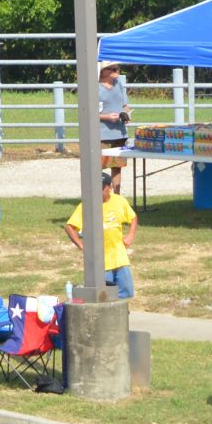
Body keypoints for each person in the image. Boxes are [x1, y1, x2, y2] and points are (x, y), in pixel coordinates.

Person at [65, 167, 138, 299]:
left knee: (126, 292)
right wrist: (82, 246)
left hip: (119, 257)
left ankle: (120, 315)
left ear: (109, 187)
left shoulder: (119, 201)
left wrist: (131, 235)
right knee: (104, 295)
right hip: (101, 263)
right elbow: (69, 227)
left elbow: (133, 217)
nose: (97, 192)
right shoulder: (87, 205)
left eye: (101, 188)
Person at [97, 61, 131, 174]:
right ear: (103, 72)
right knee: (98, 167)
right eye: (114, 69)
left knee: (117, 167)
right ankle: (101, 191)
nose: (117, 71)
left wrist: (125, 115)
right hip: (103, 135)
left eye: (117, 68)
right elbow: (89, 113)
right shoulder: (95, 88)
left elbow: (125, 106)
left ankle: (116, 192)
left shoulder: (118, 83)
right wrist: (106, 117)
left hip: (120, 133)